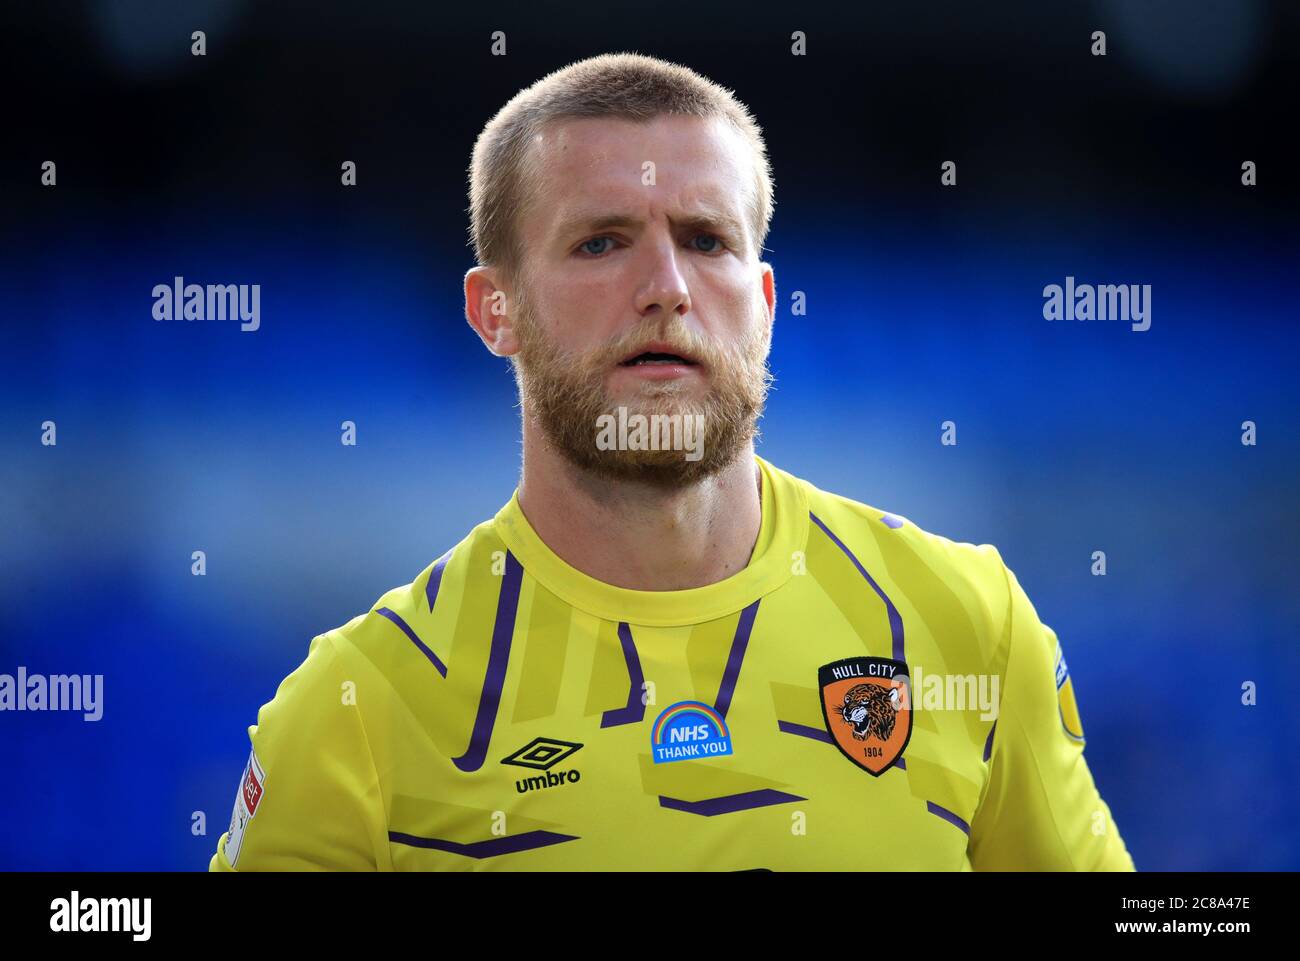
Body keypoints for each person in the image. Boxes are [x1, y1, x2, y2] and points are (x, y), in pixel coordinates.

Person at [210, 52, 1134, 871]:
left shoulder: (968, 624)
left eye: (706, 240)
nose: (666, 289)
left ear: (765, 302)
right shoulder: (356, 710)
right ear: (495, 311)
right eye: (602, 242)